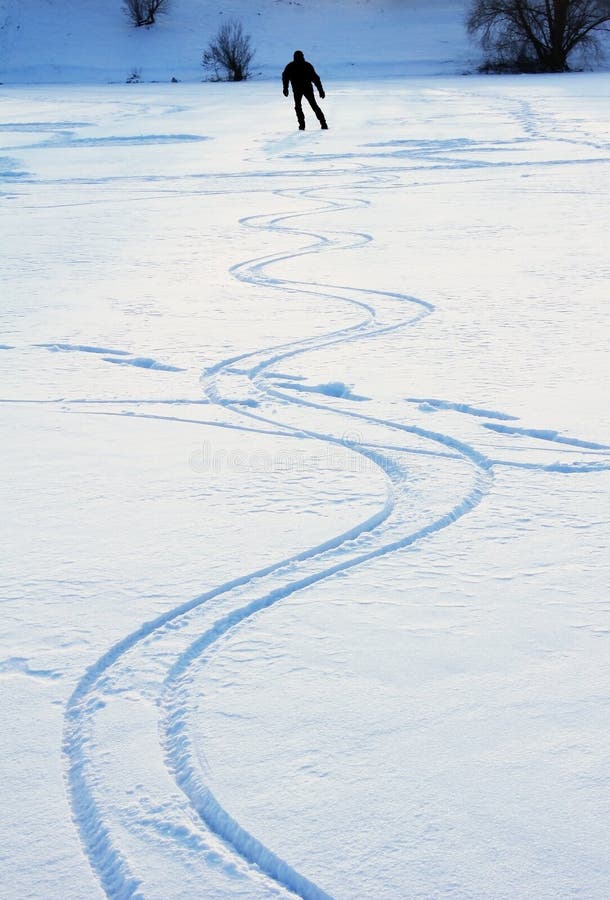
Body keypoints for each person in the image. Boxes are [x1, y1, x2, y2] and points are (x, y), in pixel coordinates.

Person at [282, 50, 328, 131]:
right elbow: (285, 77)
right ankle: (309, 125)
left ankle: (306, 125)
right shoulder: (301, 65)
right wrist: (285, 88)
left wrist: (321, 90)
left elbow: (315, 78)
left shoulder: (296, 65)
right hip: (301, 89)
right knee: (304, 106)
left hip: (303, 89)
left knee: (305, 106)